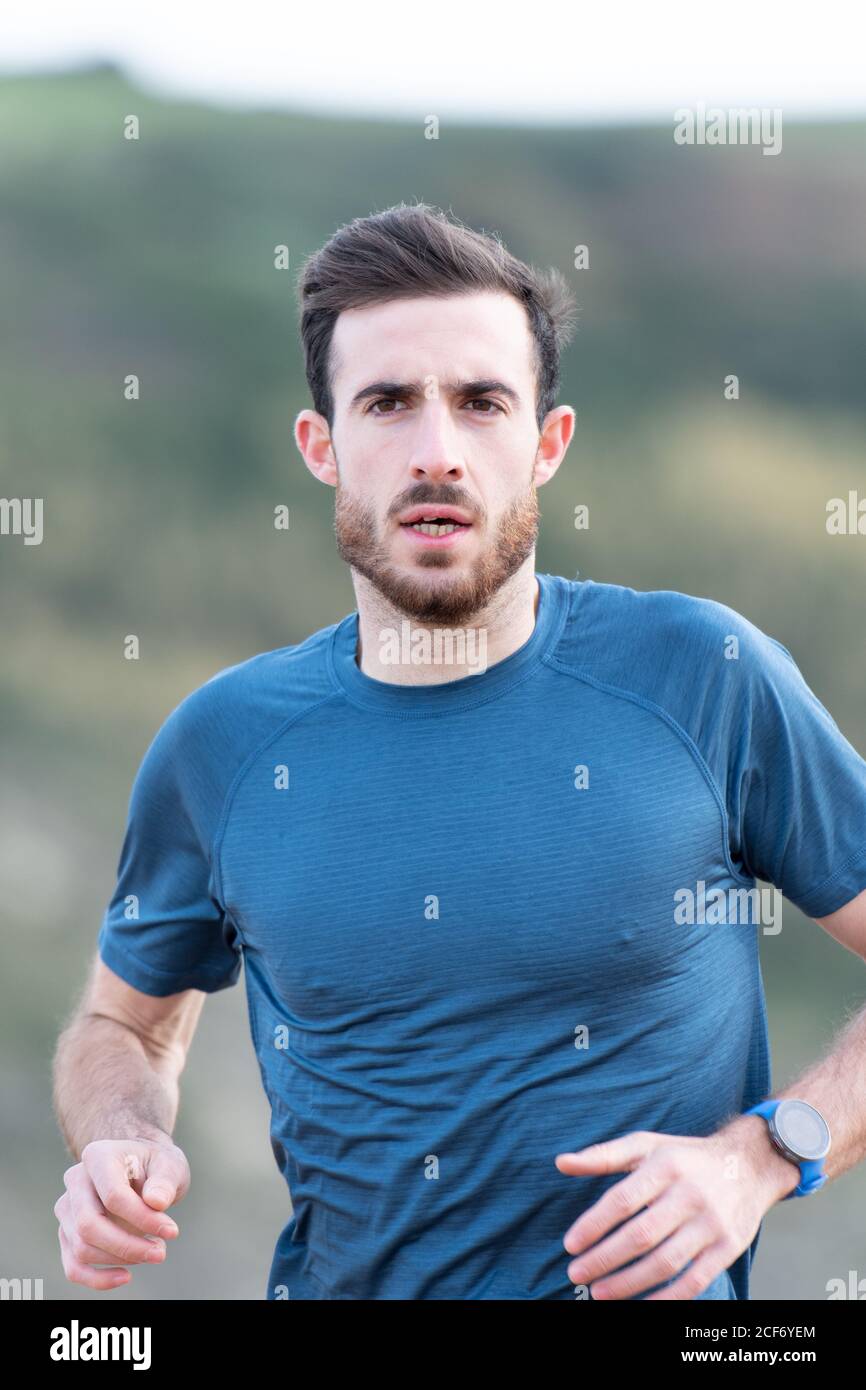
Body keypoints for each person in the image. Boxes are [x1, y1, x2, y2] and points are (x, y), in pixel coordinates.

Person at [53, 202, 866, 1300]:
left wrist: (764, 1153)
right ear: (322, 446)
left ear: (545, 443)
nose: (435, 451)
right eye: (387, 403)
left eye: (480, 402)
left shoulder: (702, 675)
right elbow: (121, 1025)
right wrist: (114, 1137)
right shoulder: (223, 742)